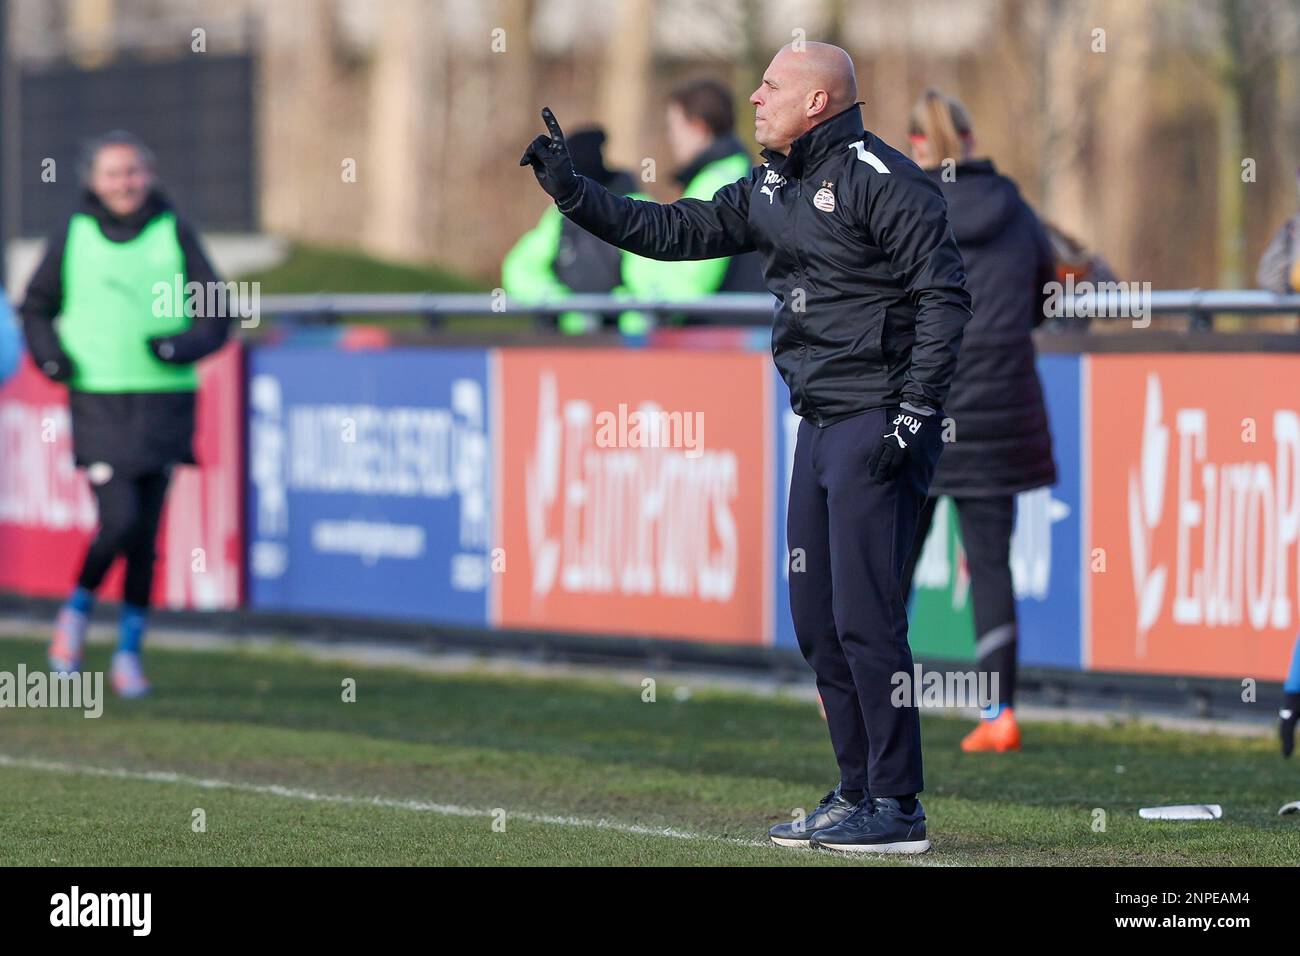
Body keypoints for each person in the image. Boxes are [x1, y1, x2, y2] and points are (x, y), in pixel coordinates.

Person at [522, 42, 971, 853]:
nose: (755, 97)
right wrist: (575, 194)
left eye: (771, 86)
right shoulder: (770, 183)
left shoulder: (883, 177)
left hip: (877, 418)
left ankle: (897, 806)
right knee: (818, 622)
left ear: (817, 102)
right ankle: (856, 791)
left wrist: (913, 412)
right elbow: (674, 230)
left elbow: (944, 296)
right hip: (820, 421)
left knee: (867, 619)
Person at [20, 130, 230, 697]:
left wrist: (179, 346)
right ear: (93, 180)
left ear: (149, 174)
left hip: (164, 402)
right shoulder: (74, 233)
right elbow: (36, 306)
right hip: (100, 400)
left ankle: (129, 652)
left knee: (146, 536)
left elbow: (217, 311)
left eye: (133, 172)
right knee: (119, 520)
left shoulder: (173, 230)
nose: (124, 184)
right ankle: (75, 615)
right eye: (113, 174)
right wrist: (52, 359)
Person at [898, 89, 1058, 753]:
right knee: (991, 567)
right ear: (969, 139)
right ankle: (1000, 713)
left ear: (917, 145)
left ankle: (857, 690)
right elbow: (1045, 295)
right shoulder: (1014, 209)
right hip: (1001, 409)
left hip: (925, 405)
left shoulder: (905, 205)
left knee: (891, 555)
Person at [621, 79, 766, 310]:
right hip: (743, 325)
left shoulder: (716, 185)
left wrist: (632, 255)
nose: (671, 138)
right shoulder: (739, 175)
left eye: (674, 127)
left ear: (699, 128)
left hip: (720, 329)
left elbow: (685, 291)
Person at [502, 127, 653, 335]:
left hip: (623, 339)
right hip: (568, 339)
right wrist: (564, 306)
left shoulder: (634, 208)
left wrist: (625, 320)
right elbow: (520, 269)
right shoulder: (558, 218)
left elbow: (649, 283)